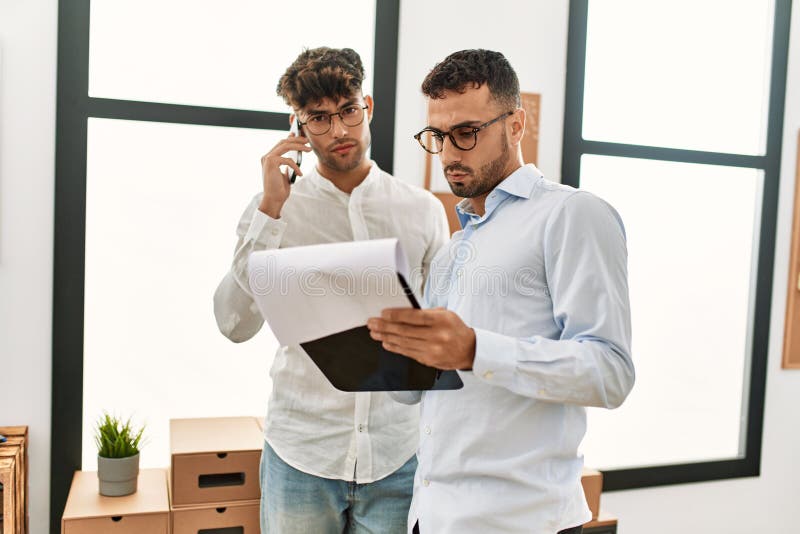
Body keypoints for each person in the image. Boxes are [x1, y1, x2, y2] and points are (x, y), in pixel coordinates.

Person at [366, 49, 635, 534]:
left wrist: (475, 350)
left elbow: (610, 372)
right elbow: (416, 393)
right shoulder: (453, 250)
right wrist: (383, 352)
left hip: (521, 522)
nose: (449, 154)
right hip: (431, 517)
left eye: (466, 132)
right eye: (437, 136)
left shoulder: (572, 214)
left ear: (516, 125)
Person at [213, 46, 449, 534]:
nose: (339, 130)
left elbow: (442, 329)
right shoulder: (272, 208)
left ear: (368, 106)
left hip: (397, 457)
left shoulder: (422, 211)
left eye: (348, 111)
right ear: (297, 125)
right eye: (319, 118)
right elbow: (234, 324)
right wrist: (270, 214)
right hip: (302, 454)